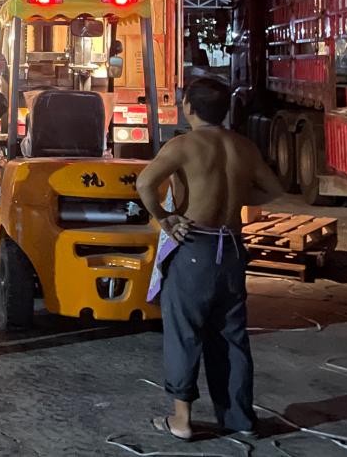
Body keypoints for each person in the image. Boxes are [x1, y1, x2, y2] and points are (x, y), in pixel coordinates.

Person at [136, 77, 283, 440]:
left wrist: (165, 218)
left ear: (188, 107)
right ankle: (239, 419)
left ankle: (182, 420)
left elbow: (144, 183)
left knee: (184, 333)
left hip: (195, 247)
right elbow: (274, 189)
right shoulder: (243, 146)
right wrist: (236, 195)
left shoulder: (183, 145)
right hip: (231, 248)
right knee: (232, 336)